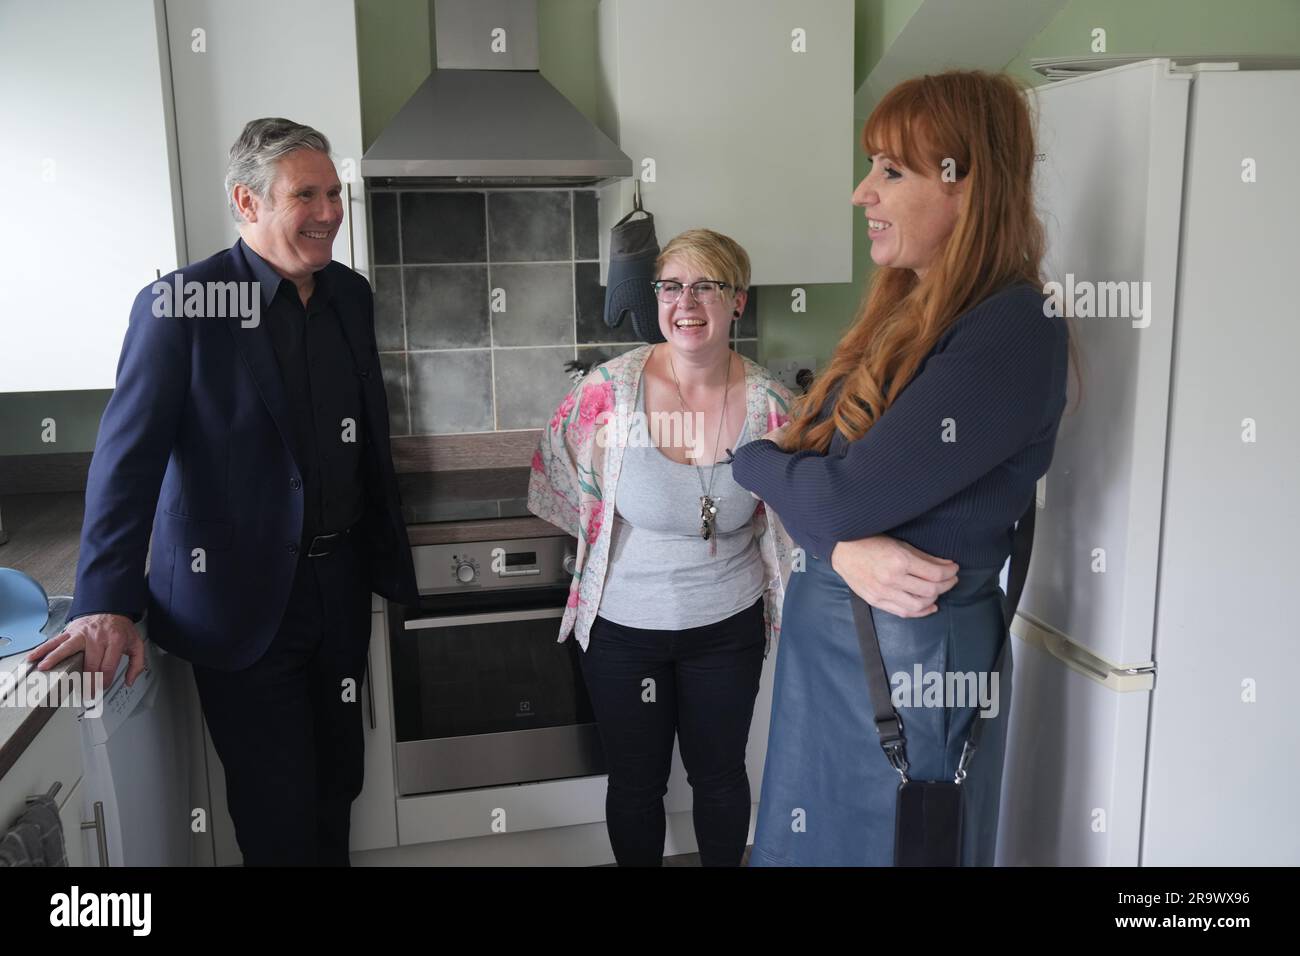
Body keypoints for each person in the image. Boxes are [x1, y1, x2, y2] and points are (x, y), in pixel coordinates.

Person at [28, 117, 417, 866]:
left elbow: (364, 437)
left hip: (337, 592)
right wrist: (104, 599)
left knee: (339, 788)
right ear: (247, 201)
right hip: (238, 600)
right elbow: (125, 460)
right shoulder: (181, 305)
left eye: (336, 193)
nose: (332, 211)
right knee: (276, 813)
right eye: (307, 194)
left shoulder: (349, 297)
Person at [732, 70, 1073, 866]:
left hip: (914, 655)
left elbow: (837, 492)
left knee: (899, 846)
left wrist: (758, 465)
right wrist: (839, 545)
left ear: (967, 186)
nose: (862, 193)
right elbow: (828, 493)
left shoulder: (1011, 329)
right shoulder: (909, 311)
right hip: (844, 635)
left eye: (893, 170)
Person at [528, 229, 796, 866]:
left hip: (725, 627)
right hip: (624, 628)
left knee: (721, 777)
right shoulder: (607, 391)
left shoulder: (775, 406)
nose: (687, 302)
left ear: (738, 301)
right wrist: (603, 531)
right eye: (672, 286)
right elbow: (552, 475)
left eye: (708, 286)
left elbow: (791, 523)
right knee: (636, 784)